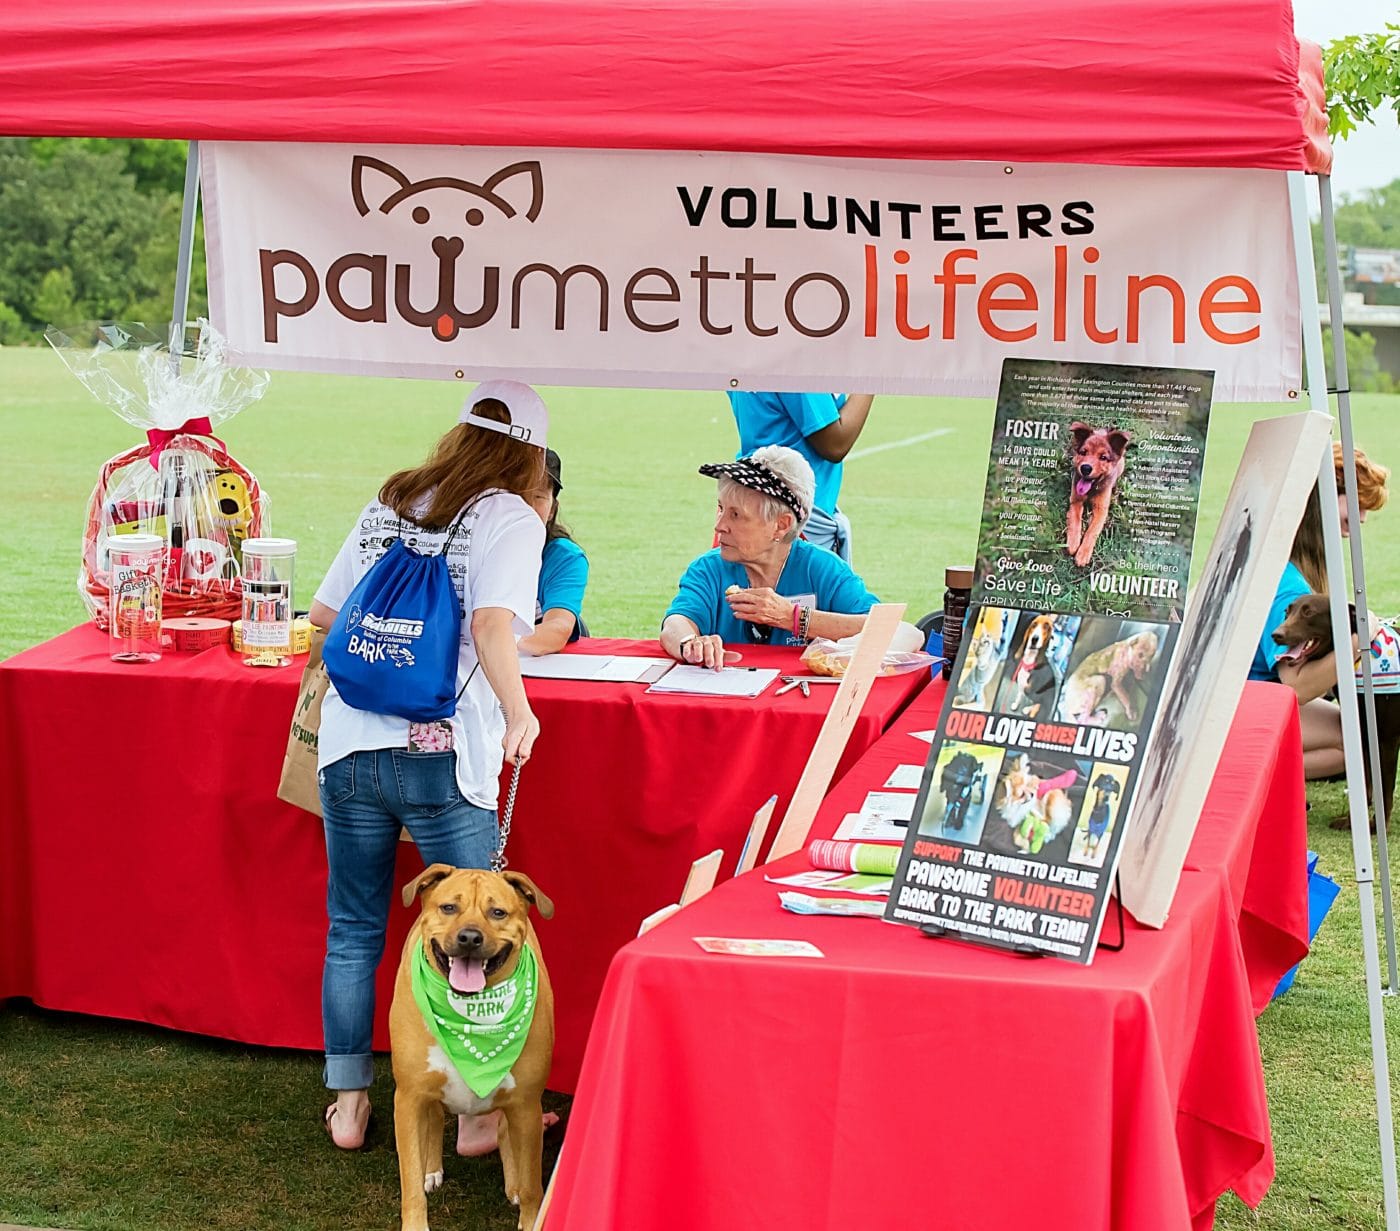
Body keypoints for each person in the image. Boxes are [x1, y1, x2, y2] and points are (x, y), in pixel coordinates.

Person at [307, 380, 547, 1152]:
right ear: (531, 454)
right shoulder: (508, 514)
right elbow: (490, 626)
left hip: (349, 748)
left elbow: (323, 616)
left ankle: (348, 1104)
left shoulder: (393, 499)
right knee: (478, 926)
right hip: (442, 755)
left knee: (353, 929)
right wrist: (518, 712)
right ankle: (478, 1114)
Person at [661, 445, 880, 670]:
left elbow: (882, 629)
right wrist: (690, 643)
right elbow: (676, 623)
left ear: (781, 525)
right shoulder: (709, 569)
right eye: (720, 508)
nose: (719, 526)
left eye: (736, 515)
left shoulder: (823, 569)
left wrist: (793, 618)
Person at [1250, 443, 1390, 780]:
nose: (1361, 519)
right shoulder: (1290, 587)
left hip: (1244, 693)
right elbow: (1294, 688)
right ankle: (1246, 776)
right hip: (1249, 702)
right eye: (1357, 505)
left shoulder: (1276, 558)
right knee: (1357, 742)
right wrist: (1359, 639)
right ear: (1322, 501)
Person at [726, 390, 874, 562]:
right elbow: (835, 444)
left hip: (755, 496)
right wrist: (872, 380)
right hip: (795, 512)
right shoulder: (798, 366)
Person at [518, 448, 589, 655]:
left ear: (552, 509)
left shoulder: (564, 558)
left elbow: (558, 629)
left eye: (538, 496)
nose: (527, 506)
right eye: (518, 495)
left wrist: (495, 642)